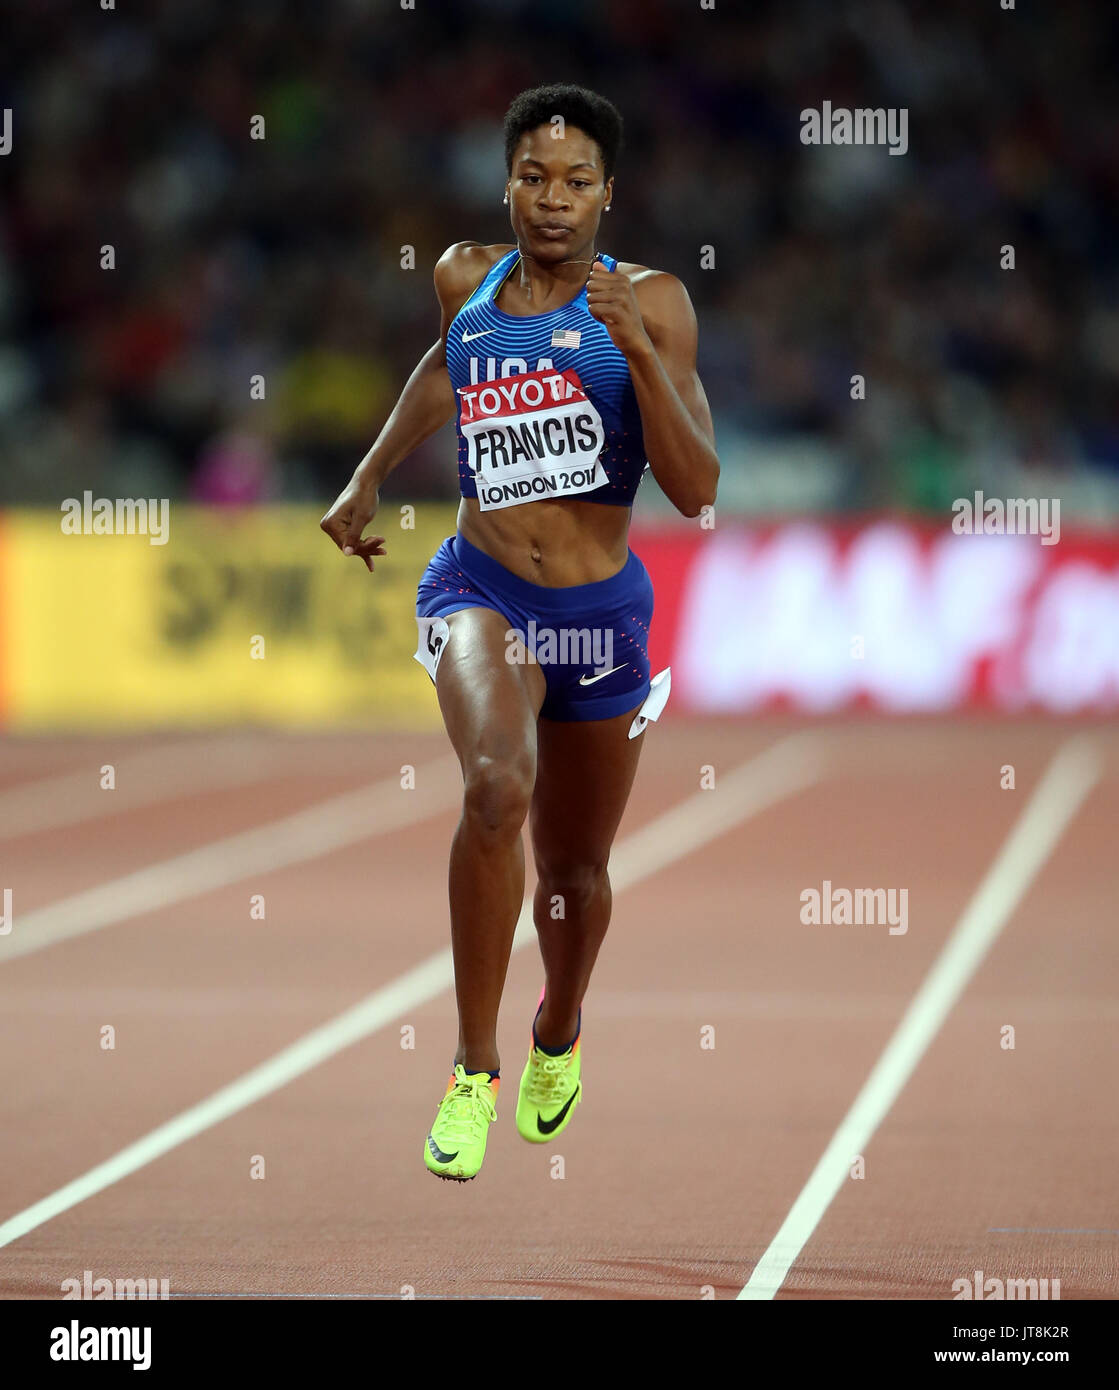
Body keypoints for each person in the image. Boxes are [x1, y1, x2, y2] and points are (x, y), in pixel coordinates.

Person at [320, 84, 718, 1180]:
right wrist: (367, 475)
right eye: (534, 178)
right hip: (480, 586)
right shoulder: (465, 278)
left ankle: (559, 1027)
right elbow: (448, 365)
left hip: (599, 614)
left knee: (576, 873)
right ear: (506, 183)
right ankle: (471, 1068)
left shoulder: (657, 303)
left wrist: (634, 349)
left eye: (576, 182)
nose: (552, 200)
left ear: (609, 195)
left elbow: (696, 488)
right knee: (495, 785)